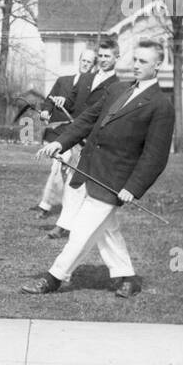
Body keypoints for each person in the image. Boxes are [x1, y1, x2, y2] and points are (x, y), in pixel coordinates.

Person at [22, 38, 175, 298]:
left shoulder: (161, 106)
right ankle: (127, 276)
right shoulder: (117, 90)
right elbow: (87, 120)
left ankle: (54, 278)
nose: (136, 65)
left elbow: (155, 156)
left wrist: (133, 188)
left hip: (115, 180)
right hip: (88, 169)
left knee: (81, 231)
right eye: (135, 59)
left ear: (157, 65)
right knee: (106, 229)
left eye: (143, 61)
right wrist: (59, 142)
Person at [46, 37, 122, 239]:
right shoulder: (86, 78)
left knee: (88, 187)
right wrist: (62, 101)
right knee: (73, 183)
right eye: (101, 56)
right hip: (74, 139)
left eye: (108, 56)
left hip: (94, 143)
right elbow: (71, 103)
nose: (103, 60)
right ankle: (64, 225)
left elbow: (111, 117)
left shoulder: (118, 86)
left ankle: (76, 226)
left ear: (117, 57)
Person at [34, 49, 96, 219]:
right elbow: (49, 100)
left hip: (77, 136)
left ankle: (55, 206)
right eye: (84, 60)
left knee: (65, 169)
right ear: (79, 60)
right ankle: (50, 205)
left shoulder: (94, 87)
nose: (85, 64)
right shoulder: (63, 81)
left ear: (93, 65)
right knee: (60, 166)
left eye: (89, 62)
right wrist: (45, 112)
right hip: (57, 134)